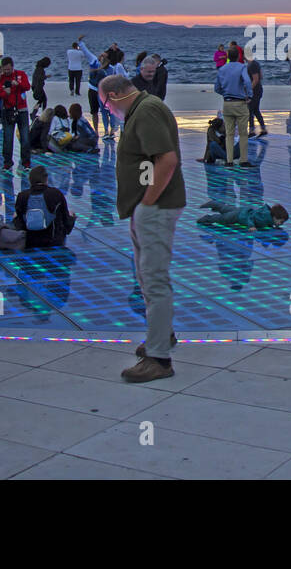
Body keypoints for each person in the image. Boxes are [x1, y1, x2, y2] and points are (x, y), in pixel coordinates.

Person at [99, 73, 186, 383]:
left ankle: (159, 359)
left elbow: (166, 160)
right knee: (146, 276)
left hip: (155, 208)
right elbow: (149, 161)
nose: (108, 110)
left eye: (105, 104)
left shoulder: (146, 111)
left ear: (114, 96)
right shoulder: (141, 110)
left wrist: (147, 203)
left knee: (154, 278)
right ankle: (161, 334)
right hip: (147, 208)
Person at [13, 166, 74, 247]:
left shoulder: (22, 196)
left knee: (16, 214)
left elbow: (19, 221)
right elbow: (66, 220)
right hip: (54, 240)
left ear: (30, 180)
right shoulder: (56, 193)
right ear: (46, 179)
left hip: (29, 241)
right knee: (68, 213)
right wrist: (72, 218)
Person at [213, 47, 253, 167]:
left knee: (229, 133)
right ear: (239, 56)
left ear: (228, 56)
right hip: (240, 103)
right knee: (243, 133)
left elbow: (216, 88)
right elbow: (247, 82)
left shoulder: (222, 69)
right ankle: (243, 160)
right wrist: (249, 95)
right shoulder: (242, 67)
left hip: (227, 103)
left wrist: (225, 93)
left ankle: (229, 160)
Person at [0, 56, 33, 169]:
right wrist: (6, 92)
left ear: (12, 67)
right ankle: (7, 162)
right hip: (7, 110)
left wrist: (18, 84)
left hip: (22, 110)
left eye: (8, 69)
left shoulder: (21, 74)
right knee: (8, 138)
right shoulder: (1, 78)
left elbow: (27, 87)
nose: (6, 72)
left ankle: (26, 162)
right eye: (4, 70)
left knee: (25, 137)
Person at [197, 199, 288, 230]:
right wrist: (251, 226)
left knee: (225, 209)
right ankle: (207, 218)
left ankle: (214, 203)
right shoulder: (265, 218)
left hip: (243, 211)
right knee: (223, 219)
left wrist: (272, 225)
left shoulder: (268, 218)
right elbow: (251, 217)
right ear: (275, 217)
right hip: (239, 216)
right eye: (281, 221)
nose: (281, 224)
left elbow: (266, 222)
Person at [245, 50, 267, 139]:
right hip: (258, 90)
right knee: (255, 110)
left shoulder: (252, 65)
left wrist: (249, 90)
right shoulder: (256, 64)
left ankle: (252, 131)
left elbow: (256, 79)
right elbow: (261, 76)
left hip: (254, 91)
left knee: (250, 111)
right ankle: (263, 129)